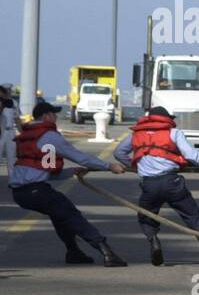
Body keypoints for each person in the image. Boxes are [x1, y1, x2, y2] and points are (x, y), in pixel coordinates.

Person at [113, 107, 199, 268]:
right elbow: (193, 156)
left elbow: (119, 152)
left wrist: (136, 166)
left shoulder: (136, 134)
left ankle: (153, 240)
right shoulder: (173, 133)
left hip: (149, 184)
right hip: (172, 182)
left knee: (146, 217)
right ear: (167, 119)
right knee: (194, 218)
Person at [9, 102, 128, 267]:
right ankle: (106, 251)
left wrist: (71, 172)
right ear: (46, 116)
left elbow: (44, 169)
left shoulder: (27, 135)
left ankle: (74, 252)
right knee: (71, 215)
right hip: (36, 190)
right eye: (54, 114)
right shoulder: (49, 136)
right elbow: (79, 156)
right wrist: (110, 166)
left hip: (21, 193)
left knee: (60, 214)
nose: (56, 117)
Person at [1, 85, 17, 172]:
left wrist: (23, 133)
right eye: (6, 90)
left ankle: (12, 182)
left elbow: (17, 118)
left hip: (11, 131)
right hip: (1, 132)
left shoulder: (14, 103)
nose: (8, 92)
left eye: (9, 90)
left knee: (11, 159)